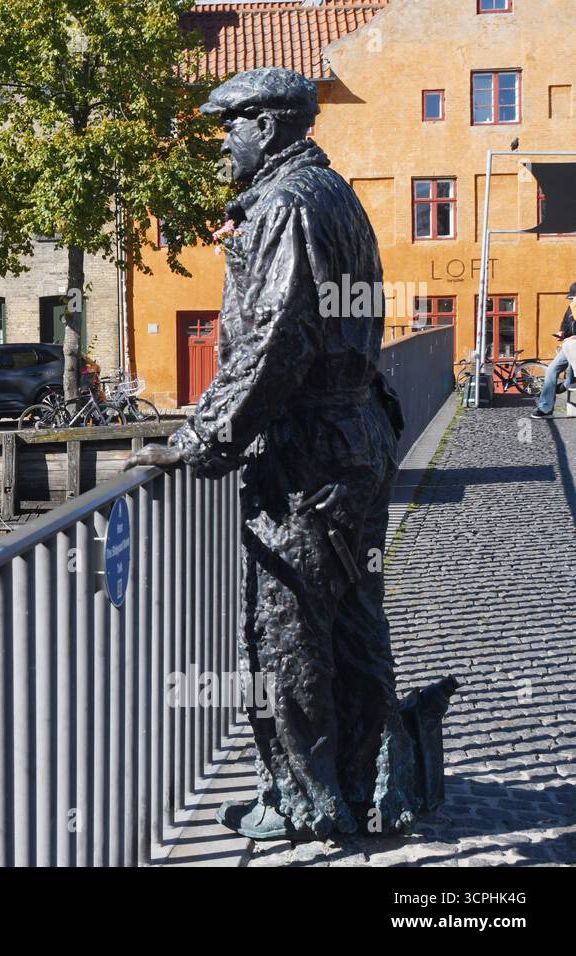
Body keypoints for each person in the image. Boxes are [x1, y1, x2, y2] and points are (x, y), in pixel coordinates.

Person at [127, 68, 447, 842]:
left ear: (268, 126)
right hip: (358, 436)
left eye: (229, 128)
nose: (222, 145)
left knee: (288, 630)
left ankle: (307, 800)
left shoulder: (283, 203)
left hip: (310, 456)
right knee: (351, 618)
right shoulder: (332, 192)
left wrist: (200, 441)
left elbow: (276, 342)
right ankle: (372, 784)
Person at [531, 282, 576, 418]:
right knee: (551, 370)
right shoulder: (571, 308)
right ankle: (546, 408)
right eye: (572, 298)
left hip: (573, 346)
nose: (573, 300)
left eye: (574, 297)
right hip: (568, 346)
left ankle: (567, 384)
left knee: (572, 373)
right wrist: (562, 332)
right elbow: (565, 325)